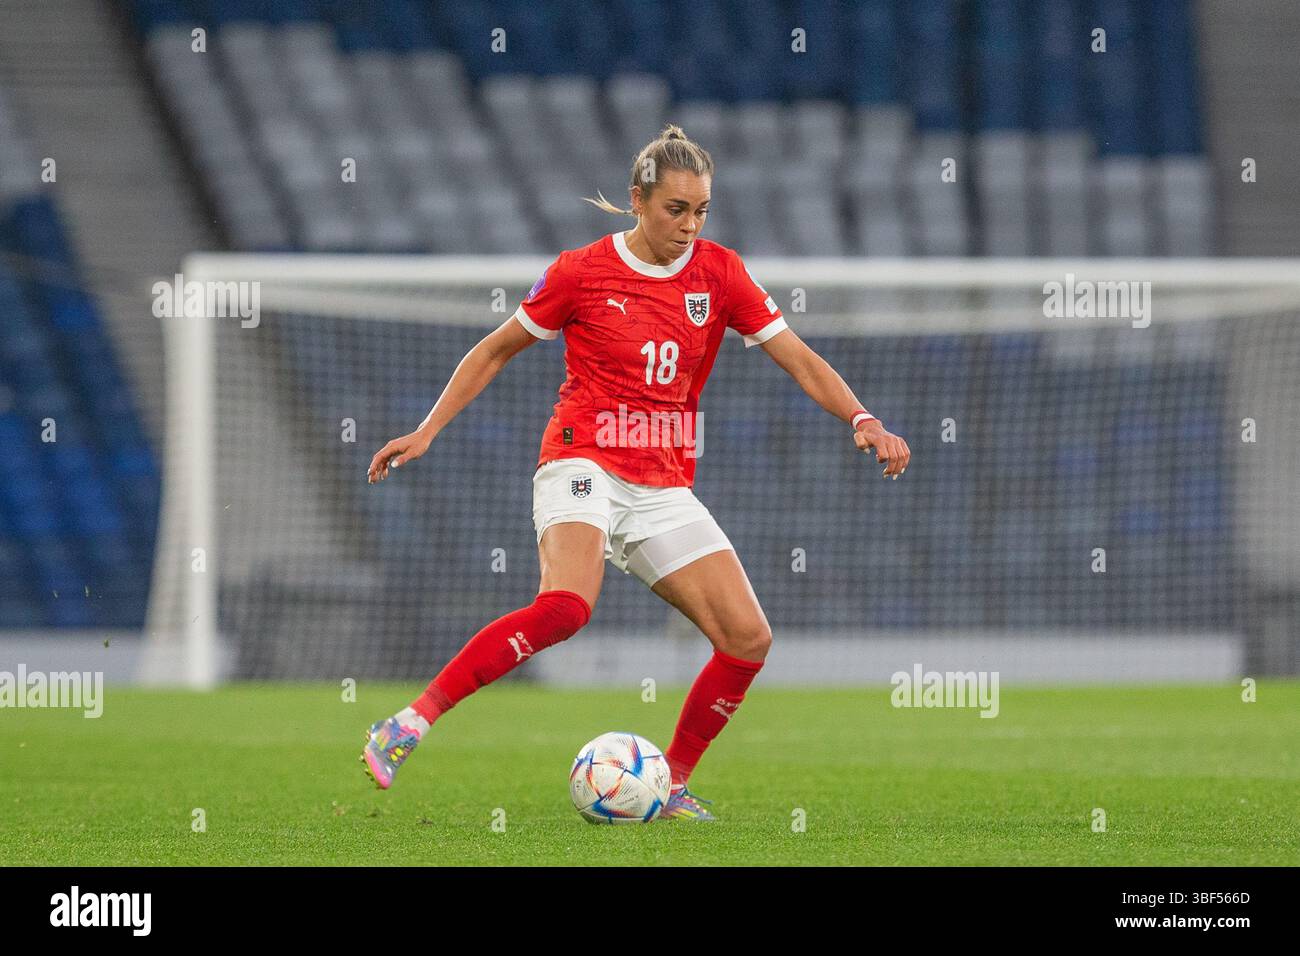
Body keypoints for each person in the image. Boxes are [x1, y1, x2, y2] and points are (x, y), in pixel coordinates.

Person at [360, 124, 910, 820]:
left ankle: (670, 784)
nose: (689, 224)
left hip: (663, 483)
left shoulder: (721, 274)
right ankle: (408, 724)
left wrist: (863, 418)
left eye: (701, 209)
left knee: (748, 639)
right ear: (638, 201)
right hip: (581, 457)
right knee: (565, 609)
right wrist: (428, 429)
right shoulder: (580, 272)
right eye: (675, 209)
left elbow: (797, 356)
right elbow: (497, 349)